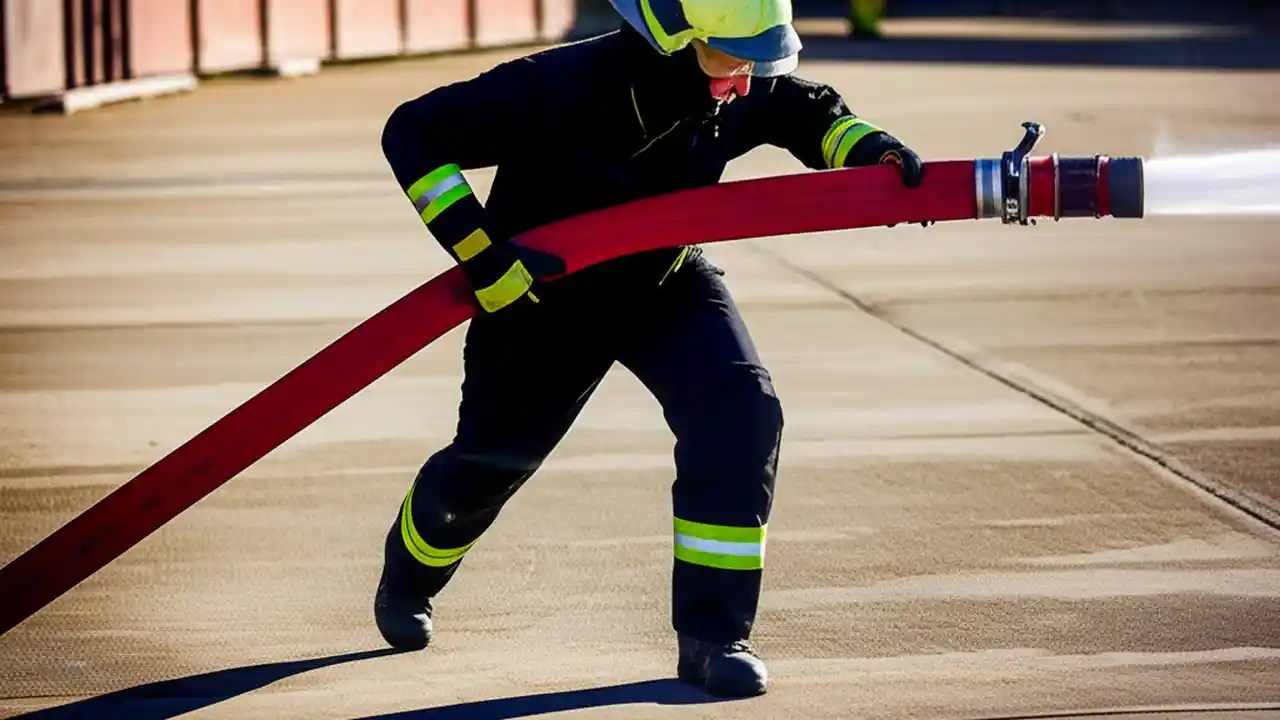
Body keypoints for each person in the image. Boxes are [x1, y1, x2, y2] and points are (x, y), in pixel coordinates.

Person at [375, 0, 923, 697]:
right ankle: (409, 574)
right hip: (541, 304)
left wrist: (872, 151)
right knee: (487, 466)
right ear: (675, 41)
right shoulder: (560, 85)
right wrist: (480, 256)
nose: (749, 79)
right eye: (733, 56)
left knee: (739, 412)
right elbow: (414, 132)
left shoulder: (734, 79)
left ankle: (714, 637)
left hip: (664, 283)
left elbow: (812, 116)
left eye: (759, 57)